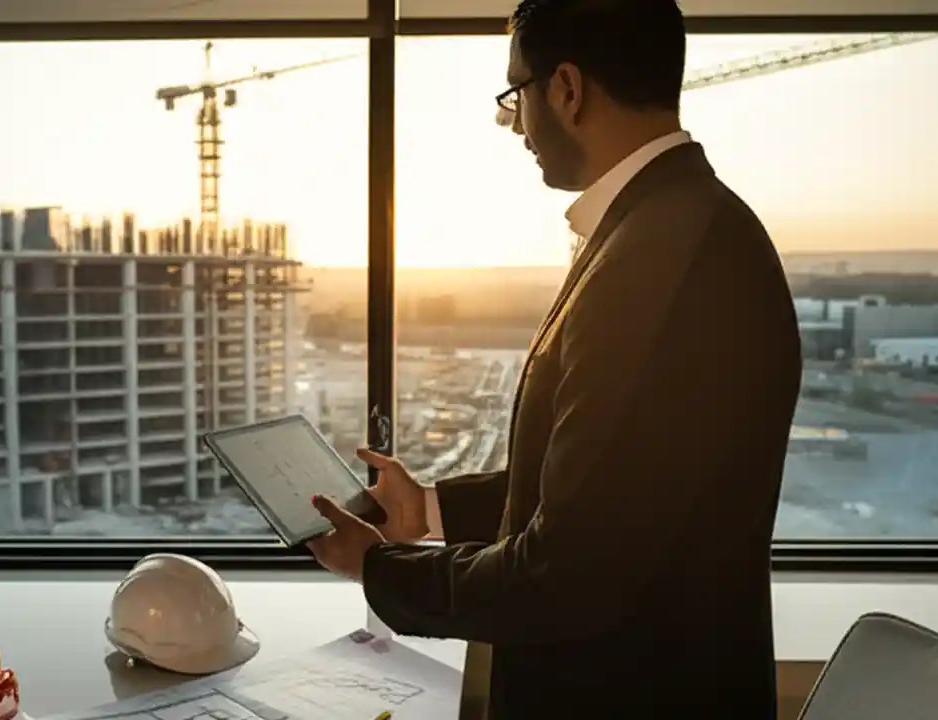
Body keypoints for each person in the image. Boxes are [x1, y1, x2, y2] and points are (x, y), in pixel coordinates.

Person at [306, 0, 802, 717]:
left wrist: (381, 568)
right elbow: (610, 480)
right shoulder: (675, 227)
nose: (517, 124)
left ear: (566, 89)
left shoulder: (659, 259)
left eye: (517, 94)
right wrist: (430, 509)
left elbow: (565, 574)